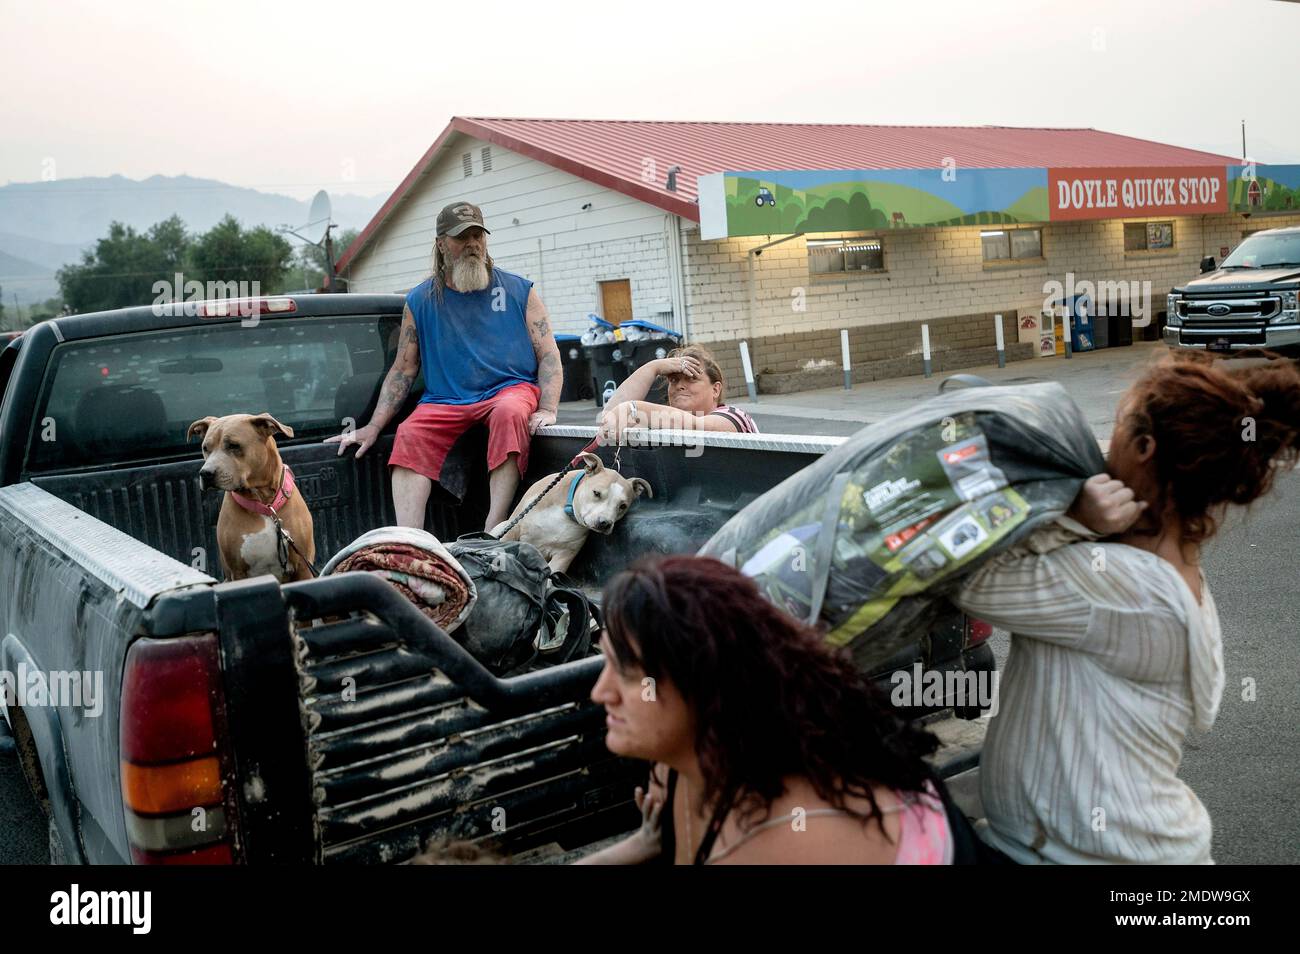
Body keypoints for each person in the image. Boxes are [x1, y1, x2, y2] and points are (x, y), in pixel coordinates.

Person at [952, 350, 1300, 864]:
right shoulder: (1167, 571)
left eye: (1115, 424)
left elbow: (968, 577)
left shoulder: (1121, 584)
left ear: (1143, 447)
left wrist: (1073, 515)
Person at [578, 555, 953, 865]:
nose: (600, 692)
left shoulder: (790, 840)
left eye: (627, 673)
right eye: (605, 663)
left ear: (704, 686)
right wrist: (642, 846)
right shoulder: (676, 770)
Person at [325, 201, 562, 531]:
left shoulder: (519, 291)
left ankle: (495, 528)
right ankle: (410, 540)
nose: (472, 244)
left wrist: (548, 408)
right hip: (445, 401)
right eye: (461, 237)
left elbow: (549, 355)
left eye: (477, 235)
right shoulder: (421, 300)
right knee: (410, 431)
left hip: (508, 390)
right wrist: (374, 426)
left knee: (510, 411)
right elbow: (403, 369)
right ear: (440, 244)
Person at [597, 345, 757, 445]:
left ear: (715, 390)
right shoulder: (664, 423)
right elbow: (608, 419)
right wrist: (653, 367)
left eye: (691, 379)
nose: (680, 386)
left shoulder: (735, 417)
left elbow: (698, 427)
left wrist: (633, 410)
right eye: (673, 380)